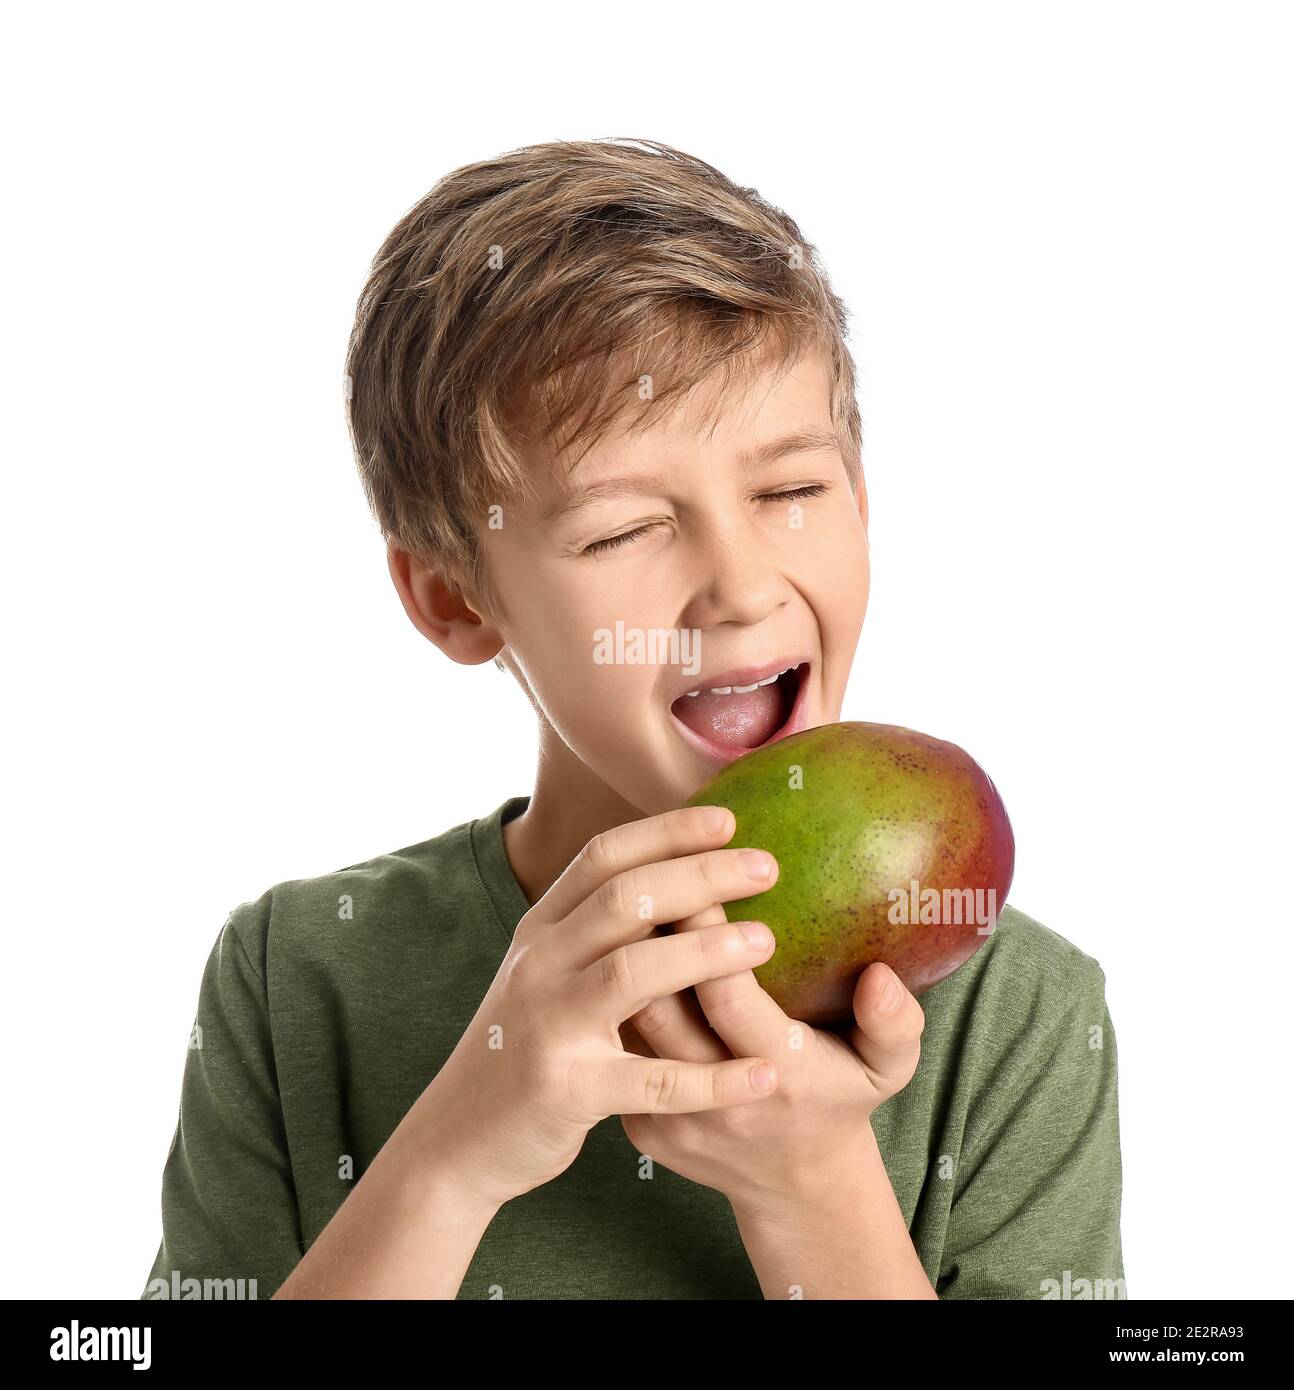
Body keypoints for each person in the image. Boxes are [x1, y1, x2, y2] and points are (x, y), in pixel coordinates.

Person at [141, 138, 1125, 1300]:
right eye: (619, 530)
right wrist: (450, 1161)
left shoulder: (1015, 1011)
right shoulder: (297, 975)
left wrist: (811, 1188)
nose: (744, 584)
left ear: (860, 503)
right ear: (457, 598)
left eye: (792, 491)